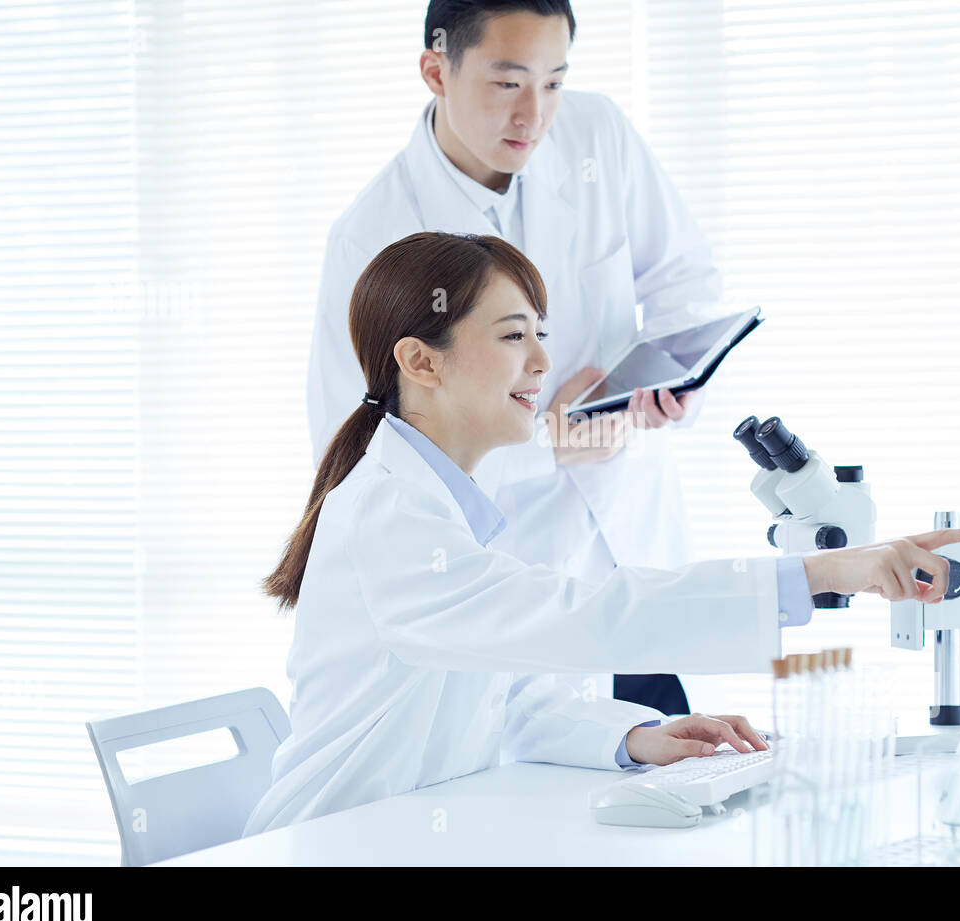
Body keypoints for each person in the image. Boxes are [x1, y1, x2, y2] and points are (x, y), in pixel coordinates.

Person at [243, 232, 960, 836]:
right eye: (512, 336)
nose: (541, 362)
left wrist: (634, 740)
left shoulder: (452, 501)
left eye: (541, 334)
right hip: (328, 842)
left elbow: (513, 696)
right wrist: (826, 573)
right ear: (419, 360)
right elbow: (585, 615)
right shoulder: (390, 519)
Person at [307, 0, 725, 716]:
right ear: (436, 70)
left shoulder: (598, 137)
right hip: (514, 574)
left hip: (632, 535)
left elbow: (683, 281)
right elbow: (366, 454)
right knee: (550, 777)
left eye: (554, 82)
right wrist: (548, 444)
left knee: (675, 778)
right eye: (507, 84)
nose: (534, 115)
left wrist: (662, 379)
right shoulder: (373, 238)